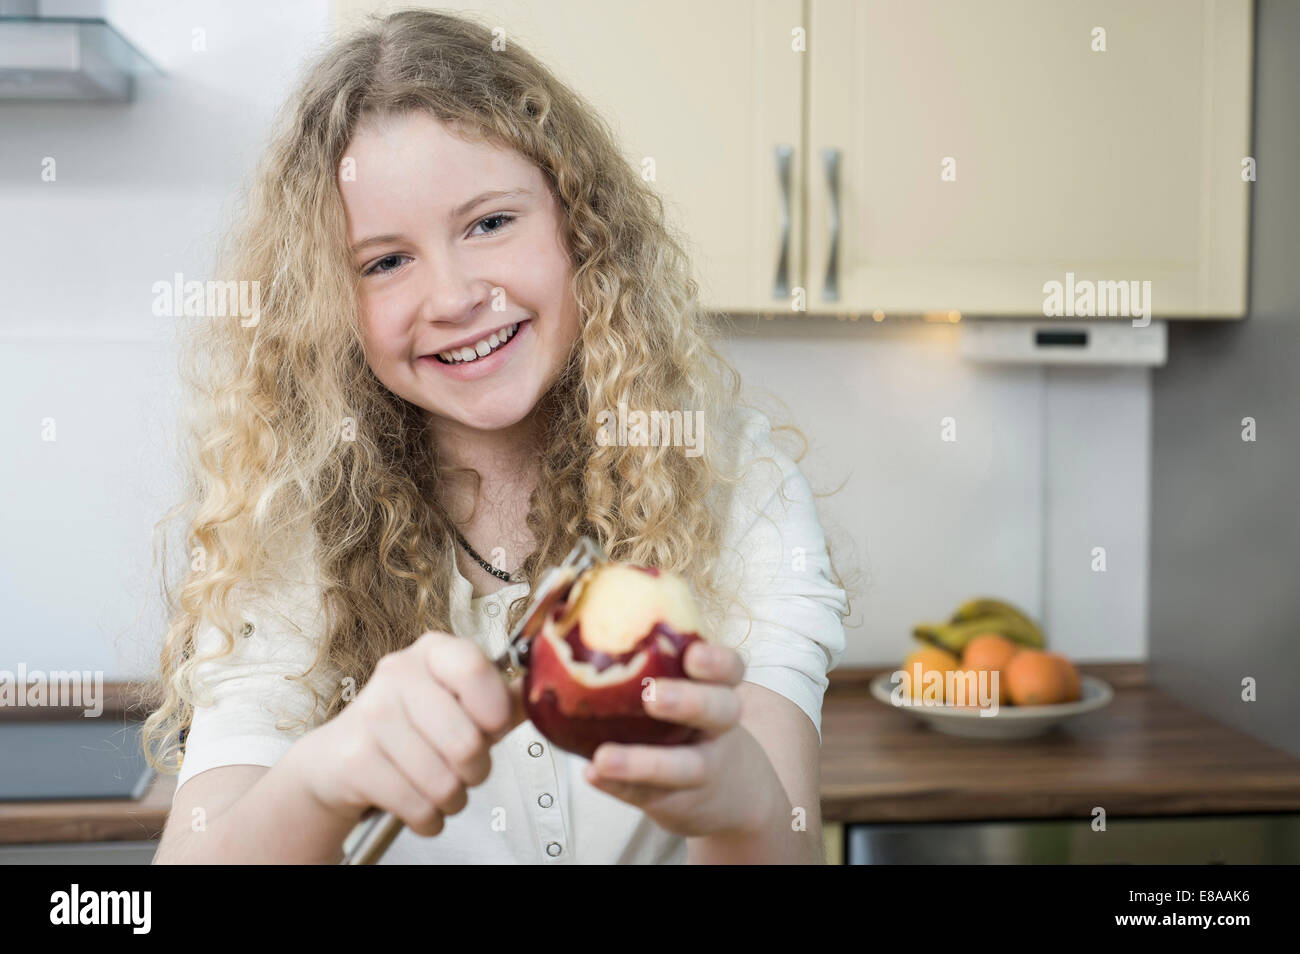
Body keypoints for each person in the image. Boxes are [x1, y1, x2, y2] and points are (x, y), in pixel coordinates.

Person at [146, 8, 852, 864]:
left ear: (580, 228)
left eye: (489, 223)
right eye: (383, 262)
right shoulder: (289, 521)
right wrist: (320, 779)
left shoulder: (739, 484)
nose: (452, 295)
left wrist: (743, 806)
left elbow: (787, 842)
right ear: (330, 303)